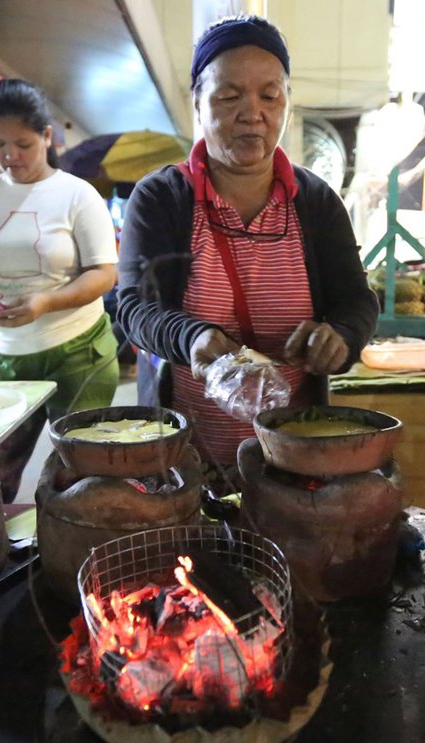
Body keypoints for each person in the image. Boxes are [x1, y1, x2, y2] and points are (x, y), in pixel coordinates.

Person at [116, 15, 378, 474]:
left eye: (269, 95)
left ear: (286, 103)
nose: (251, 111)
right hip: (186, 456)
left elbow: (356, 300)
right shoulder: (162, 199)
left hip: (296, 453)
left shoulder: (315, 203)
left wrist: (341, 336)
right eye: (229, 95)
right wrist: (189, 335)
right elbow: (135, 307)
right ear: (197, 101)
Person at [0, 79, 120, 500]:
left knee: (79, 475)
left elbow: (104, 275)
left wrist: (46, 302)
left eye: (22, 144)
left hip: (79, 354)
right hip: (10, 358)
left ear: (46, 136)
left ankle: (78, 557)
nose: (9, 156)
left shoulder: (77, 195)